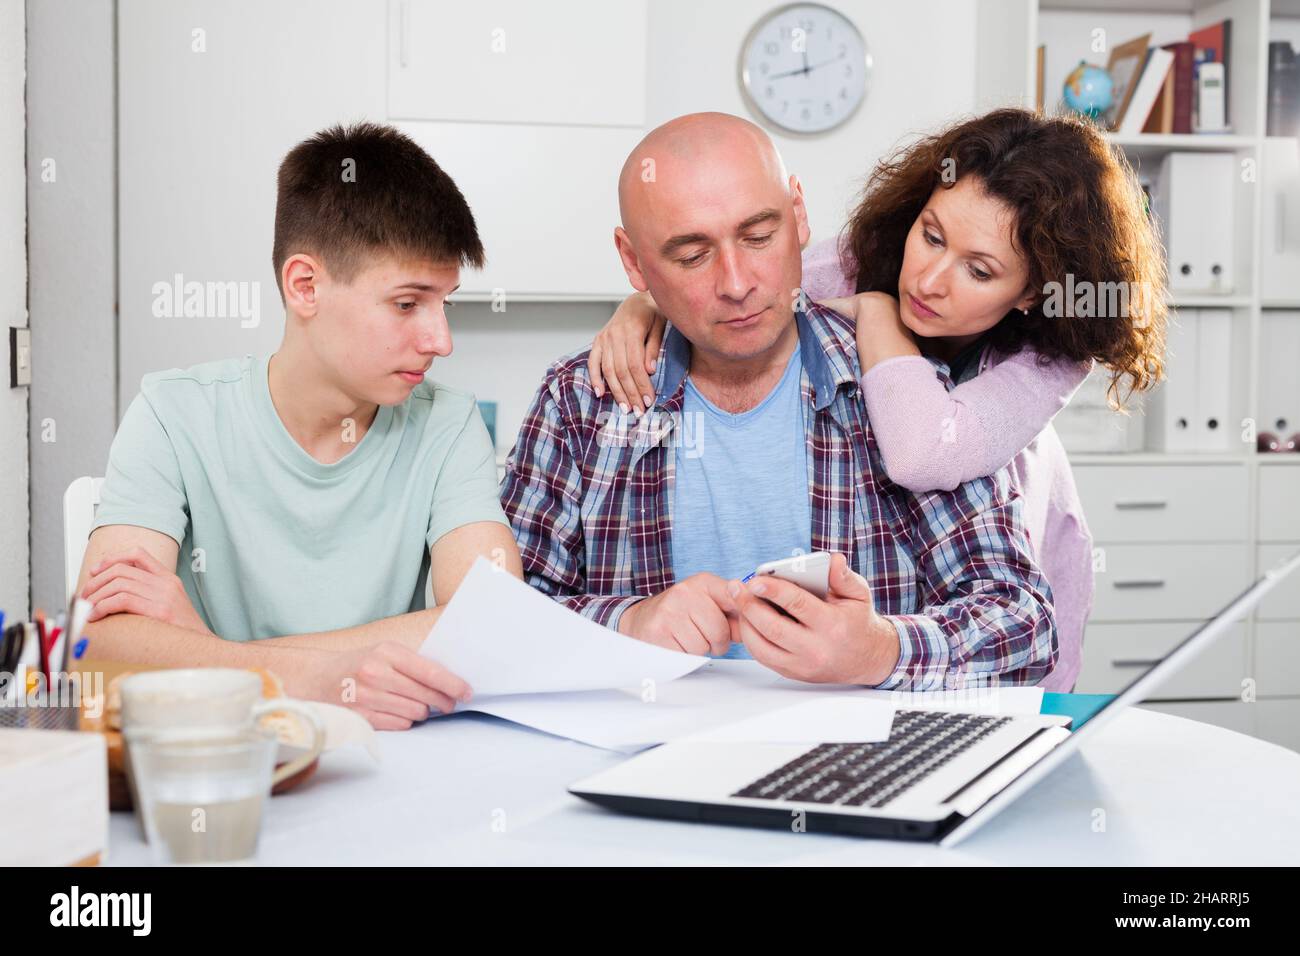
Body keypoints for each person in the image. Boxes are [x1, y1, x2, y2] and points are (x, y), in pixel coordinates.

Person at [586, 108, 1169, 690]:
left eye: (981, 270)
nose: (929, 281)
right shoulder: (848, 265)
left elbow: (923, 455)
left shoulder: (1050, 357)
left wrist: (877, 313)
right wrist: (643, 307)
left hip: (1011, 508)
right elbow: (726, 292)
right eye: (932, 236)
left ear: (1034, 290)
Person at [500, 111, 1057, 690]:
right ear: (634, 263)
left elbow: (1026, 622)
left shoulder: (903, 392)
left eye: (759, 236)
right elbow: (497, 622)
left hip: (843, 767)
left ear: (799, 216)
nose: (737, 283)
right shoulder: (579, 402)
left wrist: (878, 649)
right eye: (691, 256)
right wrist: (628, 624)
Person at [78, 122, 523, 730]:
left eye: (446, 303)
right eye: (406, 304)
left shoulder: (448, 422)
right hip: (229, 767)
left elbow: (492, 624)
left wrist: (210, 657)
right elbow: (97, 650)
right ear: (305, 286)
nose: (440, 340)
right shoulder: (172, 414)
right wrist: (321, 680)